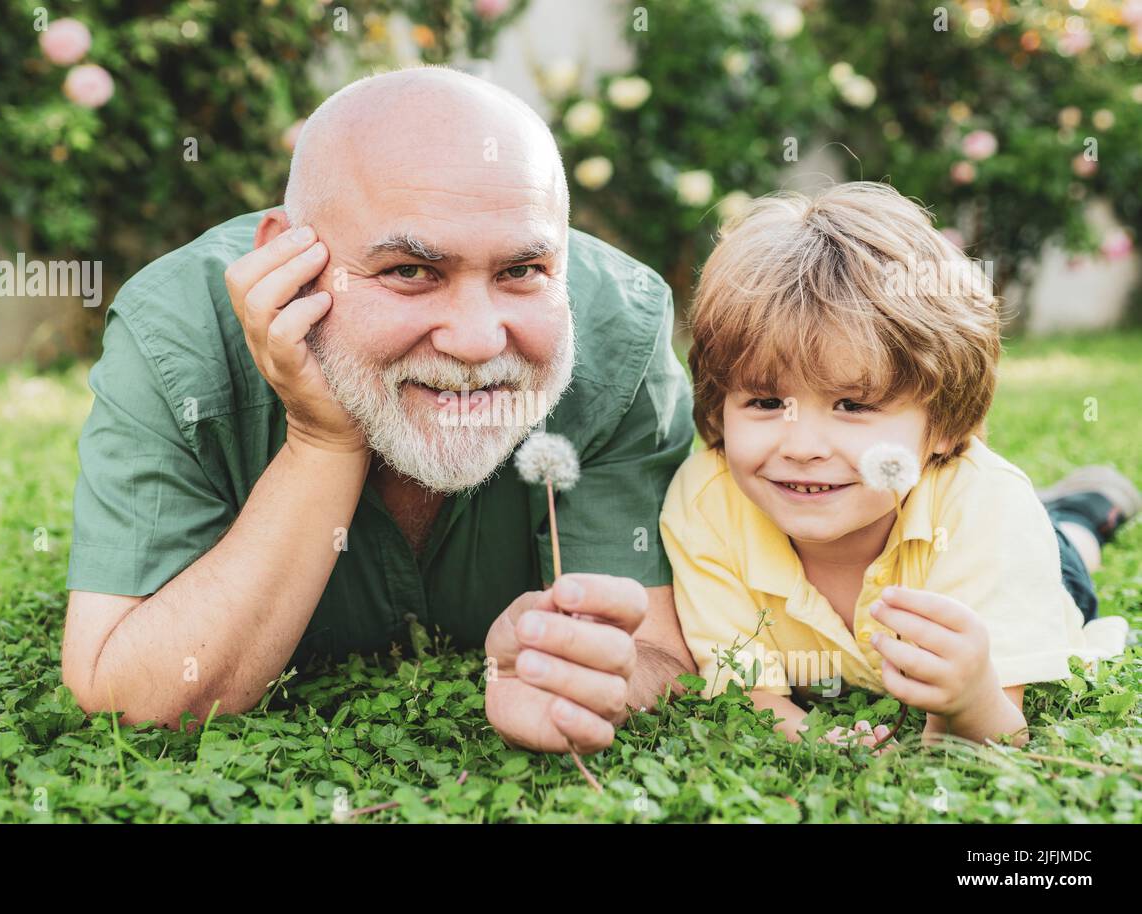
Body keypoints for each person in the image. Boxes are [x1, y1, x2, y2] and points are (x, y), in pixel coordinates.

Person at [61, 65, 698, 755]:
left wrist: (571, 673)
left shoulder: (621, 335)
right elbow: (127, 698)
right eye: (411, 271)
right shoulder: (177, 336)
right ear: (289, 258)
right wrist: (321, 441)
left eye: (521, 271)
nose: (477, 339)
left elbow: (657, 655)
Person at [659, 181, 1134, 749]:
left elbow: (997, 733)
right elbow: (749, 698)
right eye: (765, 402)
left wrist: (972, 698)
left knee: (1066, 554)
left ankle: (1084, 514)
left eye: (854, 405)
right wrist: (823, 740)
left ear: (946, 424)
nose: (802, 445)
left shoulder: (988, 511)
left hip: (1021, 556)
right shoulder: (704, 502)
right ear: (719, 402)